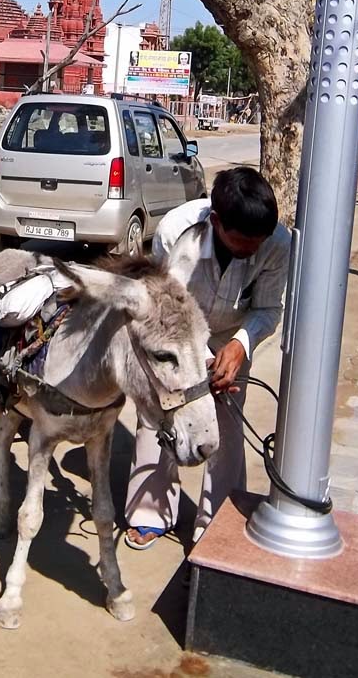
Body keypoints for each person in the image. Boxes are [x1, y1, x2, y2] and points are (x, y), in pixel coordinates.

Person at [124, 167, 290, 550]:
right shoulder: (174, 232)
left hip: (232, 335)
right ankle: (150, 509)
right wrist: (198, 364)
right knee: (158, 412)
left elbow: (267, 308)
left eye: (257, 243)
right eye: (240, 243)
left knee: (227, 420)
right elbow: (165, 311)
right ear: (216, 222)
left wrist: (239, 346)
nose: (251, 251)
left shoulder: (278, 243)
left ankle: (218, 519)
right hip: (178, 335)